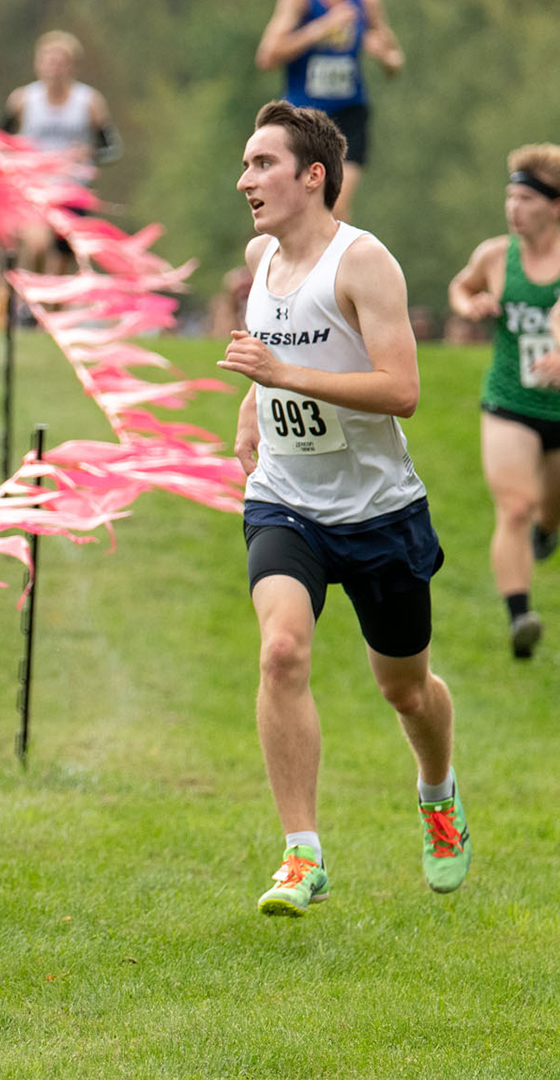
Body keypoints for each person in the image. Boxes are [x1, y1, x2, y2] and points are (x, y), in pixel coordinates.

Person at [222, 101, 467, 918]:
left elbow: (402, 391)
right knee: (282, 651)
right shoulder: (261, 257)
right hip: (285, 502)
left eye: (262, 164)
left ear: (312, 175)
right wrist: (255, 412)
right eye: (247, 164)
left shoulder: (365, 265)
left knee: (406, 688)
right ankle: (303, 855)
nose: (245, 180)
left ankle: (437, 790)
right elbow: (273, 357)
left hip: (379, 513)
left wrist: (286, 379)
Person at [447, 146, 560, 658]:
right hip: (510, 401)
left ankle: (548, 528)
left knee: (548, 509)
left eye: (527, 199)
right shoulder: (496, 255)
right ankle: (520, 617)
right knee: (513, 507)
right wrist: (471, 304)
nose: (514, 209)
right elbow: (461, 285)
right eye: (510, 197)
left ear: (554, 206)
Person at [254, 0, 403, 224]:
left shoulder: (366, 4)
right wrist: (321, 28)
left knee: (335, 204)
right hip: (302, 118)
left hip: (348, 114)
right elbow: (267, 57)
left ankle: (340, 259)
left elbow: (395, 61)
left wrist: (384, 56)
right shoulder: (299, 4)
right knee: (296, 203)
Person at [3, 30, 120, 277]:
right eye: (48, 60)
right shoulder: (22, 100)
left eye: (60, 62)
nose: (54, 68)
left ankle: (48, 310)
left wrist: (90, 153)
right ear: (38, 64)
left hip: (72, 192)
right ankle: (30, 298)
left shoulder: (90, 103)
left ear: (72, 67)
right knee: (37, 244)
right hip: (34, 189)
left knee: (60, 266)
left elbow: (112, 148)